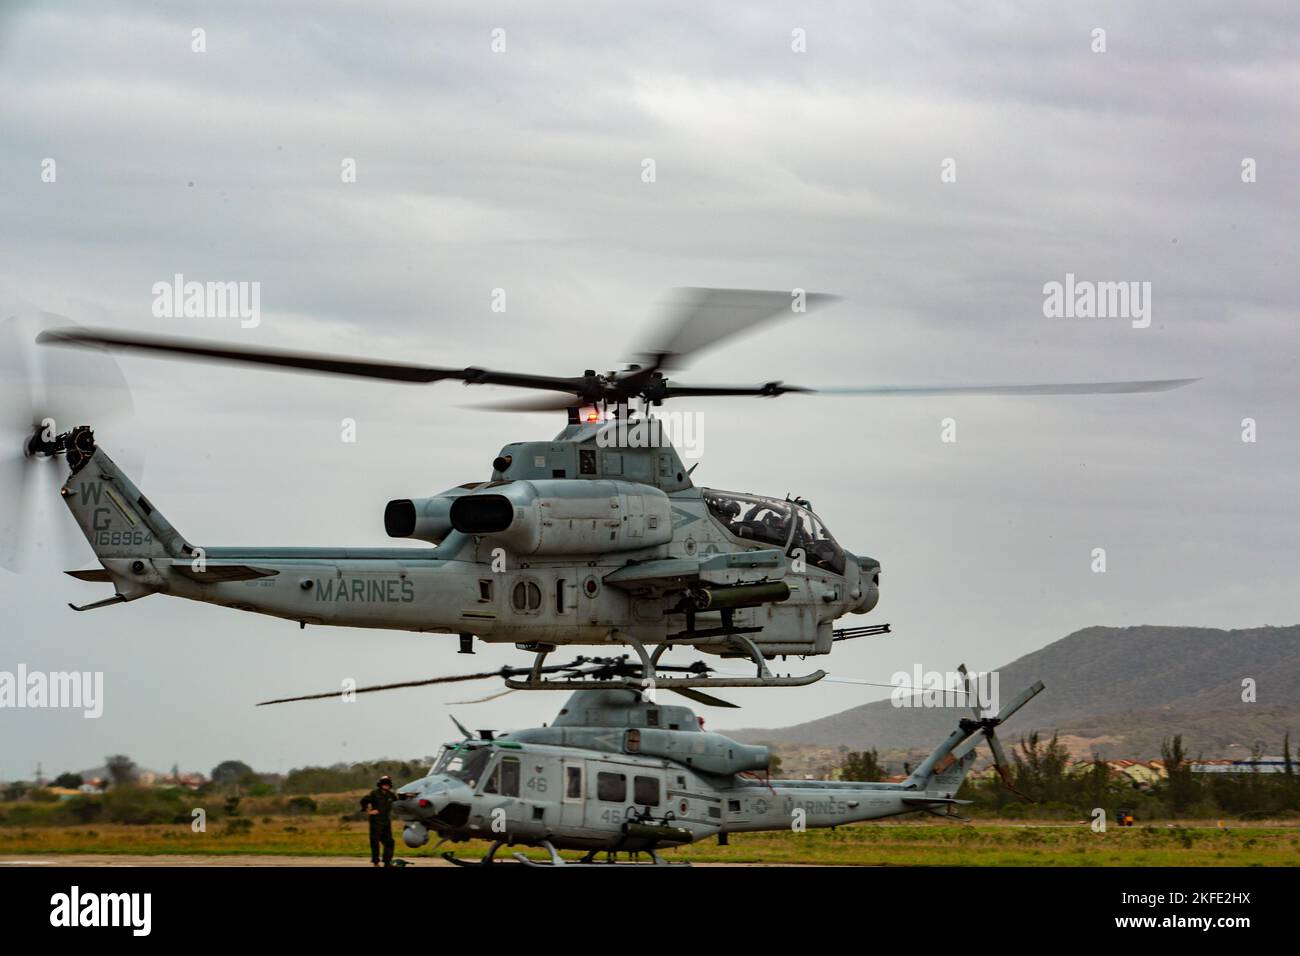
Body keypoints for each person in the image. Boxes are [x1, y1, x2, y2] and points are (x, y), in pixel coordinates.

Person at [360, 774, 398, 866]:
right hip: (376, 821)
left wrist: (409, 795)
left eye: (388, 784)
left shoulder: (390, 795)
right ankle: (376, 862)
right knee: (375, 842)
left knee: (389, 842)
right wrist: (369, 811)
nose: (386, 785)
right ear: (380, 784)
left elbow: (399, 800)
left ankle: (387, 862)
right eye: (384, 784)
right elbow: (363, 801)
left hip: (386, 821)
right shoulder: (374, 793)